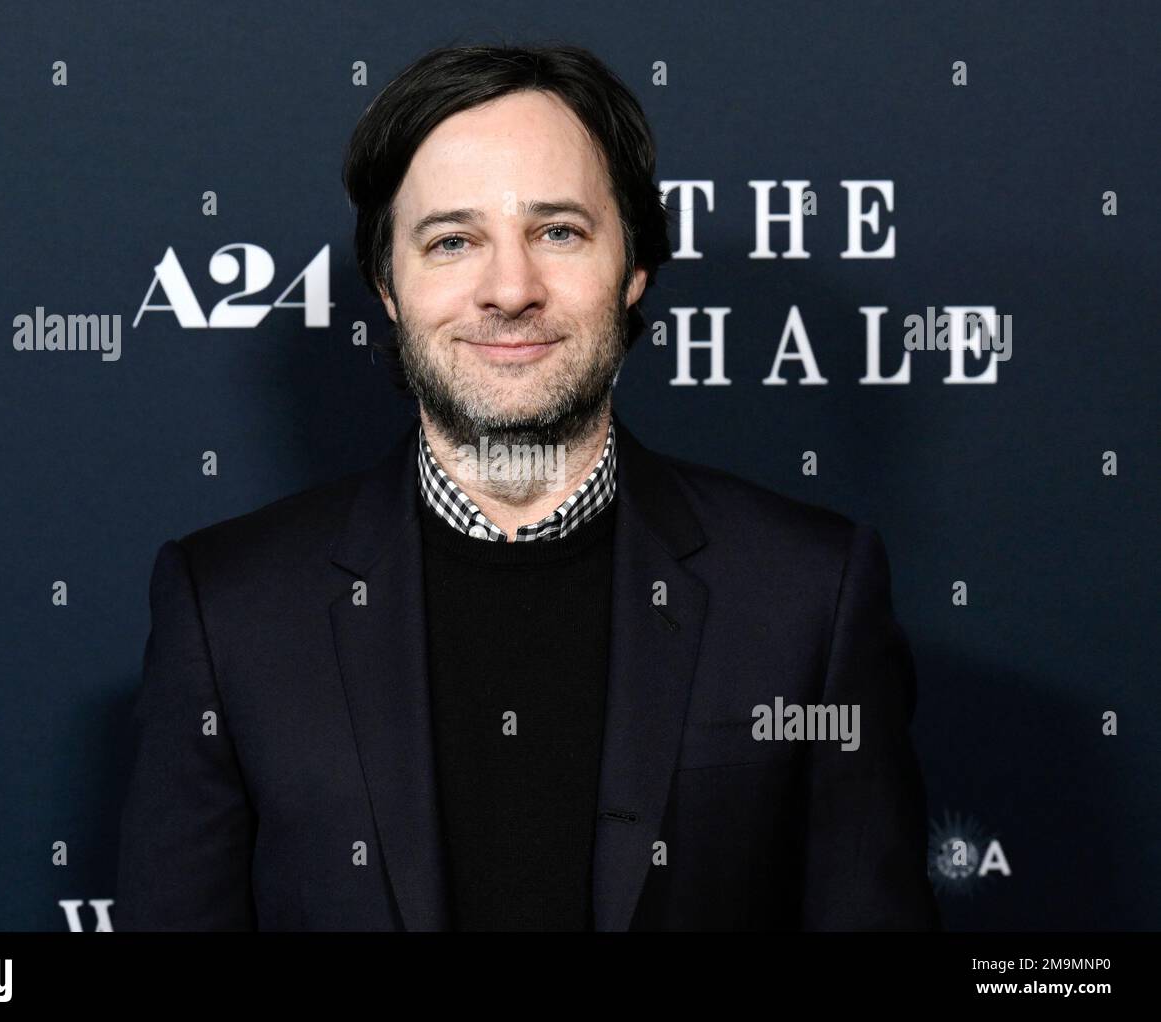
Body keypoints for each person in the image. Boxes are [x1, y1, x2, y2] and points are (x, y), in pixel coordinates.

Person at [115, 43, 940, 931]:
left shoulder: (809, 593)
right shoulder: (229, 609)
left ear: (633, 268)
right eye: (452, 241)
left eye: (558, 231)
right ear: (388, 286)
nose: (510, 289)